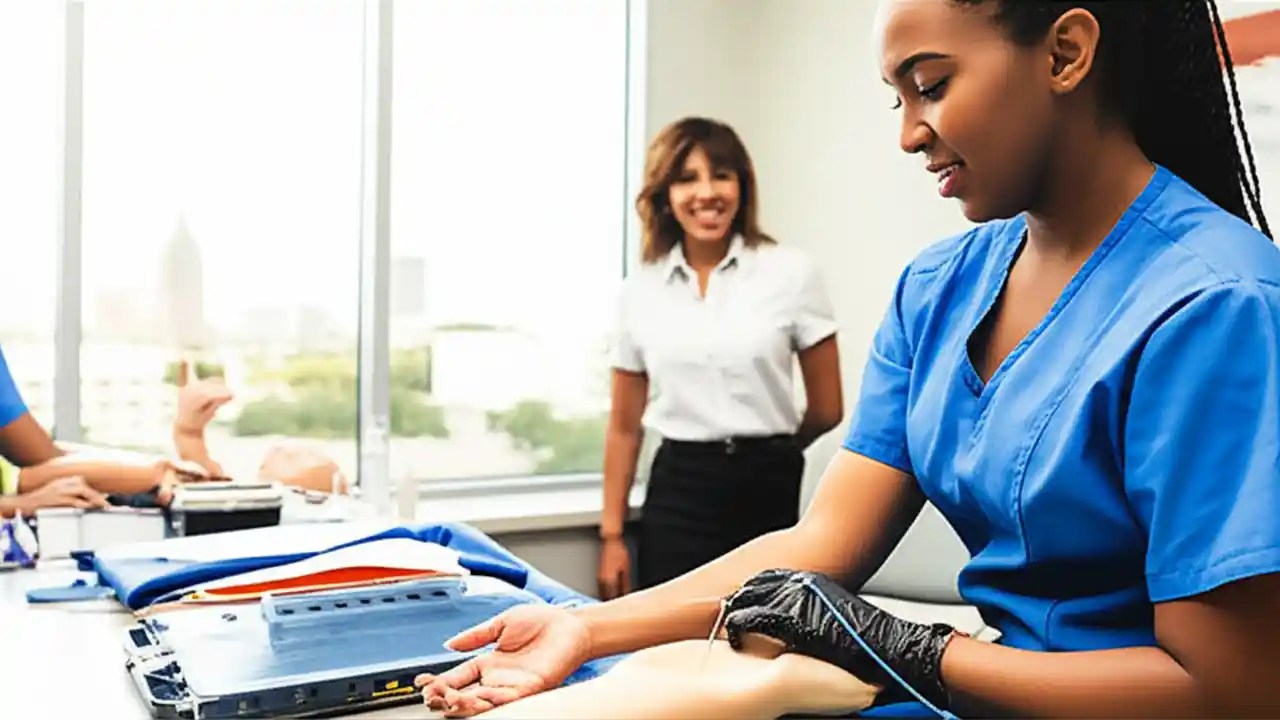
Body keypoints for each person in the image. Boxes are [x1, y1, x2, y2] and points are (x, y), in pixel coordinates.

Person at [415, 1, 1280, 717]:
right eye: (894, 99)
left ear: (1065, 52)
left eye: (931, 86)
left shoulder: (1217, 302)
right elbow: (824, 542)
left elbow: (1226, 692)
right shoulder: (939, 287)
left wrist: (910, 648)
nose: (908, 134)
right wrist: (590, 630)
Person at [598, 117, 844, 599]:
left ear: (742, 186)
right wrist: (611, 537)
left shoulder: (790, 273)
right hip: (679, 493)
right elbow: (624, 428)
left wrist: (770, 450)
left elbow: (827, 408)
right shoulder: (639, 290)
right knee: (671, 648)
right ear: (664, 194)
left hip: (768, 490)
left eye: (721, 175)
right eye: (687, 178)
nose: (706, 192)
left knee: (765, 644)